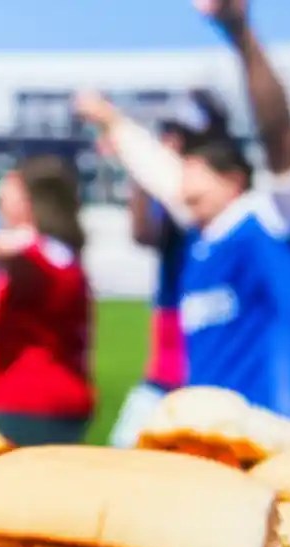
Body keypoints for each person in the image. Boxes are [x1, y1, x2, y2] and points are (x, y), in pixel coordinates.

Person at [78, 0, 290, 440]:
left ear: (234, 179)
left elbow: (281, 136)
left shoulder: (272, 222)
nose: (182, 180)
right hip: (215, 443)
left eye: (195, 169)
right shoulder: (197, 244)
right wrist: (114, 124)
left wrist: (240, 32)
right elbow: (155, 171)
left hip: (282, 442)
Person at [0, 148, 95, 446]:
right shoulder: (52, 253)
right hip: (38, 403)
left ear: (30, 201)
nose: (1, 199)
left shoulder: (34, 249)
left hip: (34, 404)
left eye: (8, 192)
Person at [108, 90, 231, 447]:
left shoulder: (218, 207)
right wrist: (142, 174)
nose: (171, 143)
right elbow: (144, 231)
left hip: (208, 370)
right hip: (166, 368)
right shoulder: (177, 195)